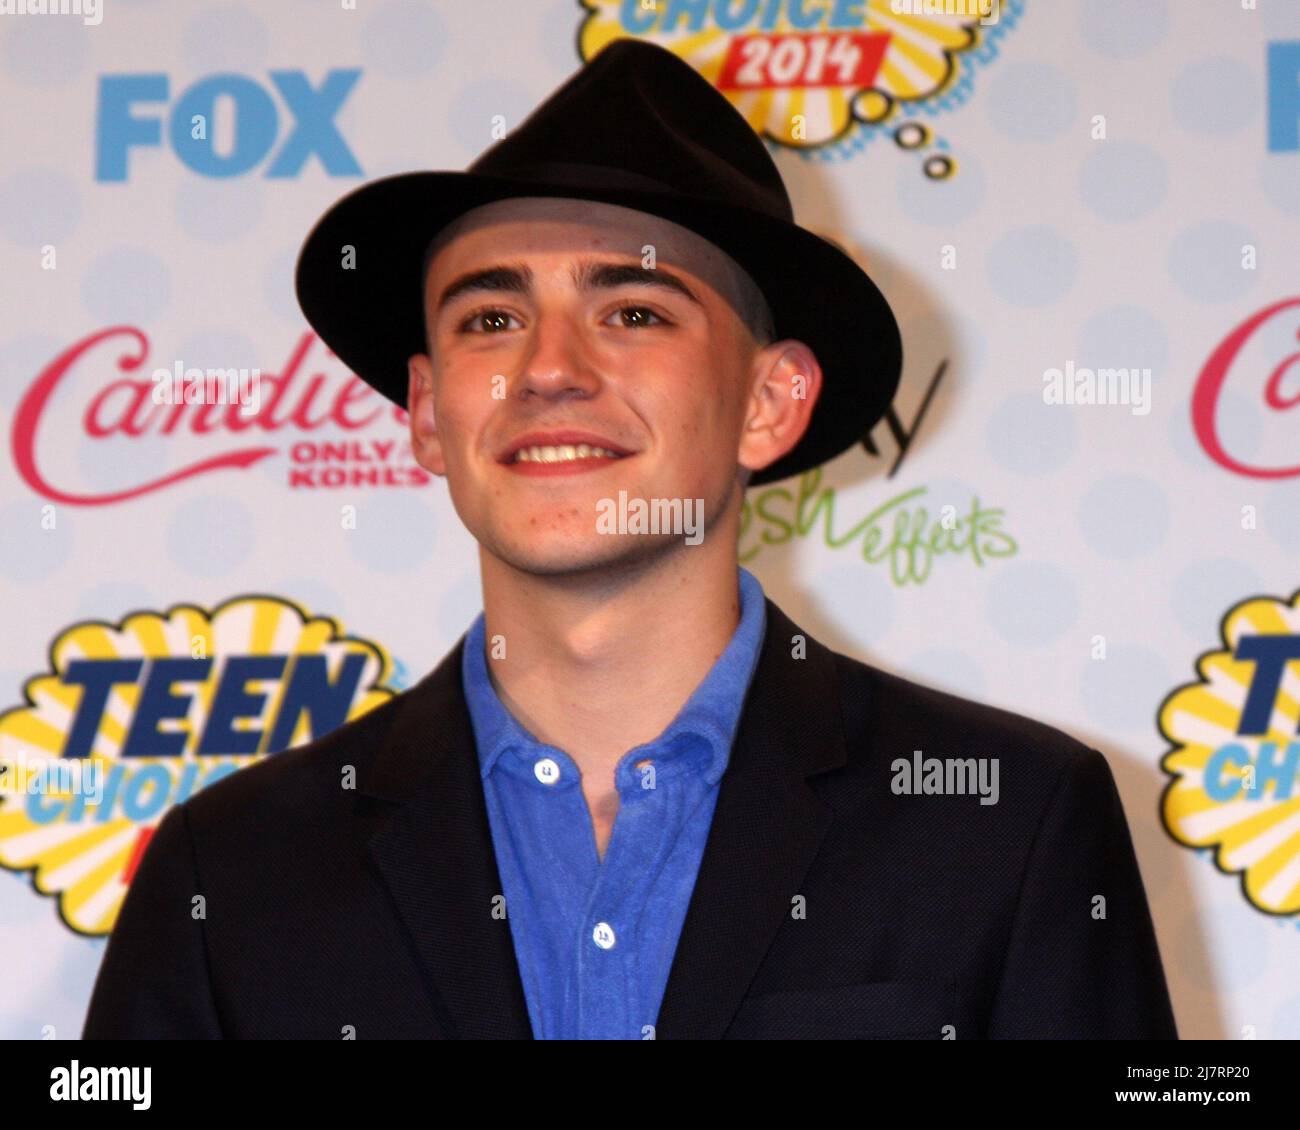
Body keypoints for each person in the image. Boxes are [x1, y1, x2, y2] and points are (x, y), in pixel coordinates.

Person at [82, 38, 1177, 1040]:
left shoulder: (1010, 821)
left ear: (770, 400)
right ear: (426, 409)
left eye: (635, 311)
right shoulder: (231, 870)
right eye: (490, 318)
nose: (550, 367)